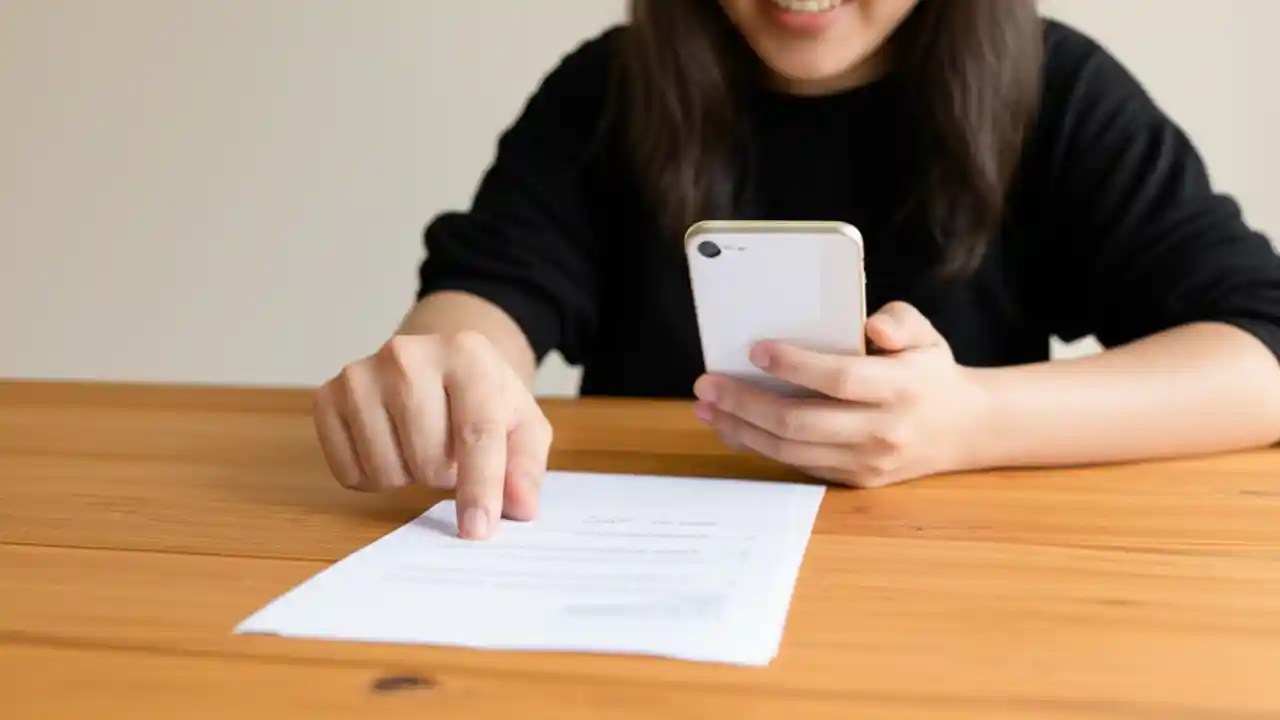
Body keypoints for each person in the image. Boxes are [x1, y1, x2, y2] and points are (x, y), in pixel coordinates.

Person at [313, 0, 1280, 540]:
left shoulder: (1055, 88)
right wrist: (456, 363)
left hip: (957, 595)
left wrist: (972, 420)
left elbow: (1259, 345)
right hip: (646, 591)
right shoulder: (603, 91)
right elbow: (489, 291)